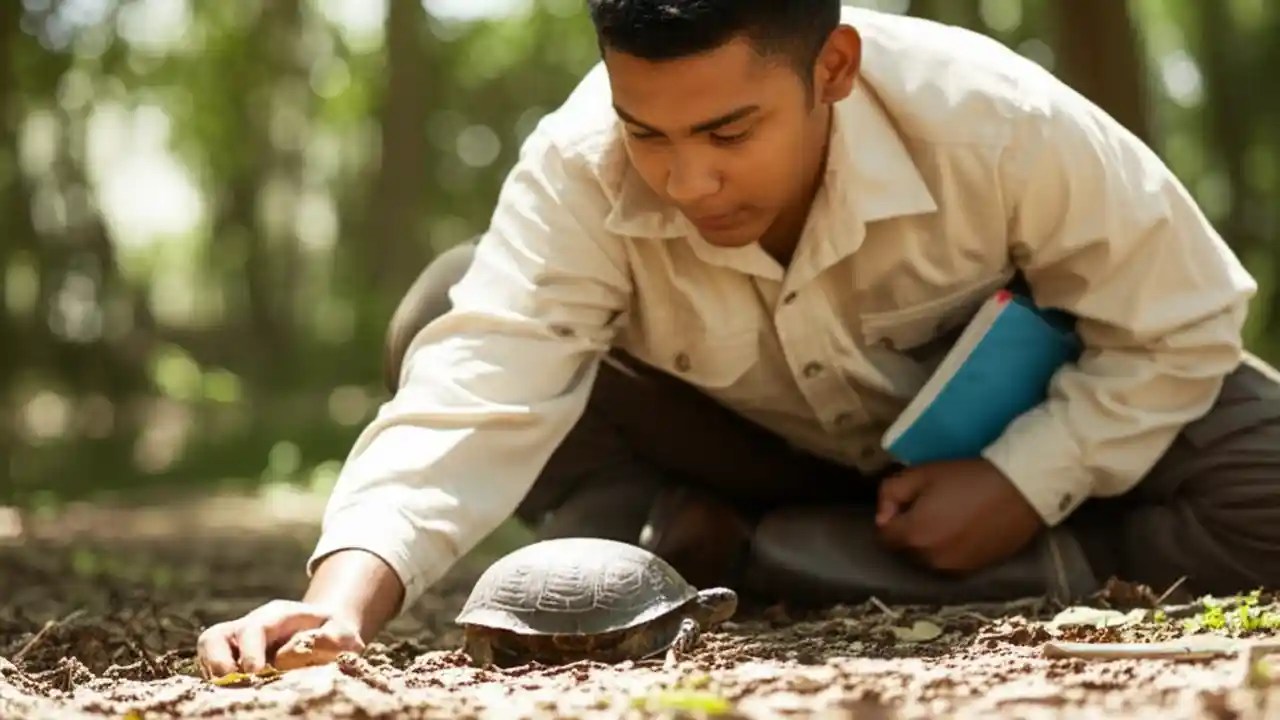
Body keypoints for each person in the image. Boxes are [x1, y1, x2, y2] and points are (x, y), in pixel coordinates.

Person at [196, 1, 1280, 677]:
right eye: (647, 133)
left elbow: (1180, 324)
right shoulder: (578, 162)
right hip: (737, 446)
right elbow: (488, 371)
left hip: (992, 444)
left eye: (728, 131)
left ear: (833, 67)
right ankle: (699, 539)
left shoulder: (1002, 124)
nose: (686, 181)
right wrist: (341, 598)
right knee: (442, 307)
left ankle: (768, 560)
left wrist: (1021, 478)